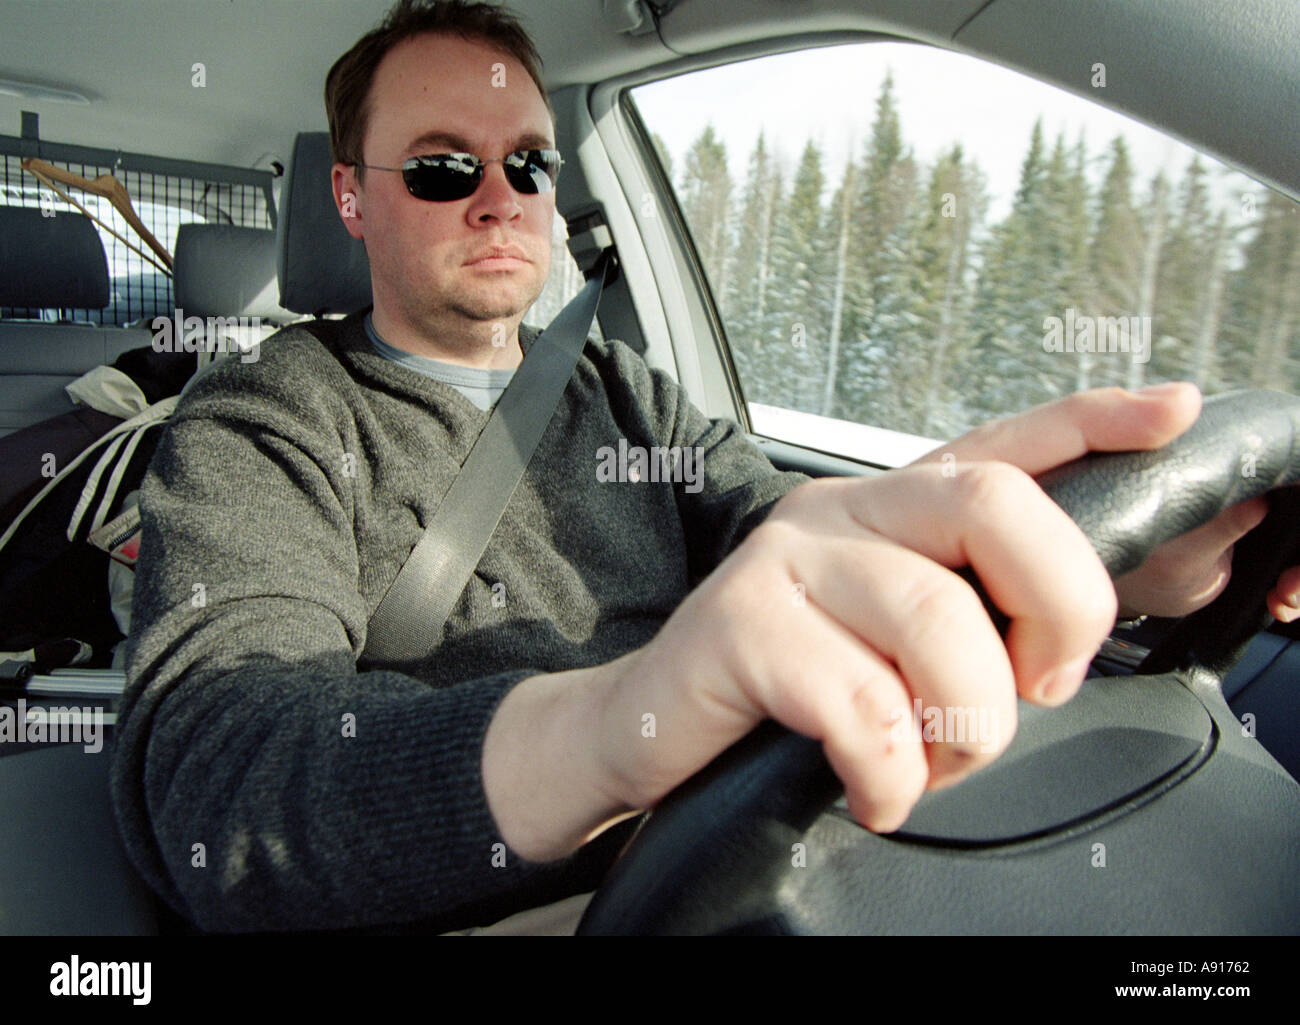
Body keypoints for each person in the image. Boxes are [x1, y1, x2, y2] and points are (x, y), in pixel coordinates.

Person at [109, 0, 1295, 935]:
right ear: (350, 200)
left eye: (527, 164)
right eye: (437, 168)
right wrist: (629, 718)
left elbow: (796, 533)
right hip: (501, 908)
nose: (498, 199)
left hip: (762, 834)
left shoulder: (620, 386)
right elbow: (228, 778)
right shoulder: (262, 415)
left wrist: (1127, 560)